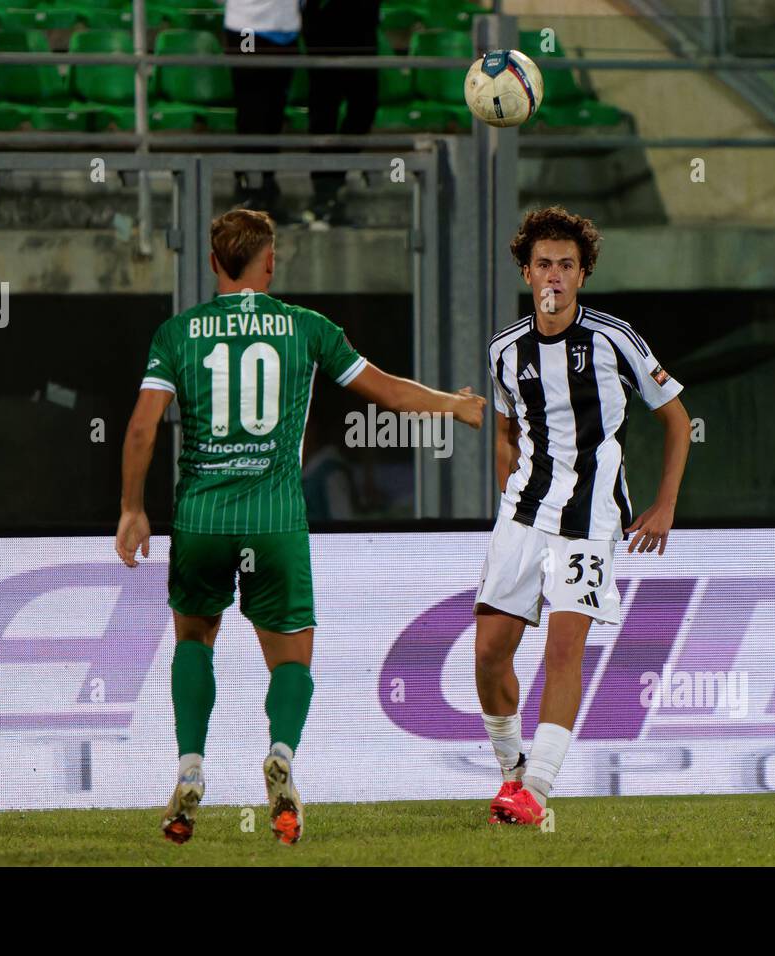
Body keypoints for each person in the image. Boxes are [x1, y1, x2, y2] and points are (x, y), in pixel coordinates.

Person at [115, 208, 485, 845]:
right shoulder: (306, 328)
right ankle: (281, 751)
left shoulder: (176, 334)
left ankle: (190, 766)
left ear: (212, 264)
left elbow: (144, 427)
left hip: (201, 517)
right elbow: (389, 394)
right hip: (274, 521)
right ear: (270, 262)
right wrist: (456, 405)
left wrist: (131, 508)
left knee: (193, 641)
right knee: (292, 656)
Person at [474, 206, 691, 826]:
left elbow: (677, 418)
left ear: (582, 275)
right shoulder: (504, 352)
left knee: (563, 652)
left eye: (567, 265)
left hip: (592, 518)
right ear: (526, 271)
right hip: (522, 515)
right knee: (490, 653)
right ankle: (512, 771)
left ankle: (535, 793)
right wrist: (507, 504)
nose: (555, 275)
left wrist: (666, 503)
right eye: (544, 263)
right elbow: (506, 432)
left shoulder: (614, 339)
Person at [300, 0, 381, 228]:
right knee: (324, 110)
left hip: (362, 28)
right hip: (323, 28)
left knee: (365, 106)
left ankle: (333, 178)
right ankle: (324, 191)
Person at [222, 0, 300, 222]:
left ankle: (266, 188)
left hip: (286, 31)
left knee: (274, 112)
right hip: (246, 29)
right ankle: (248, 188)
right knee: (252, 109)